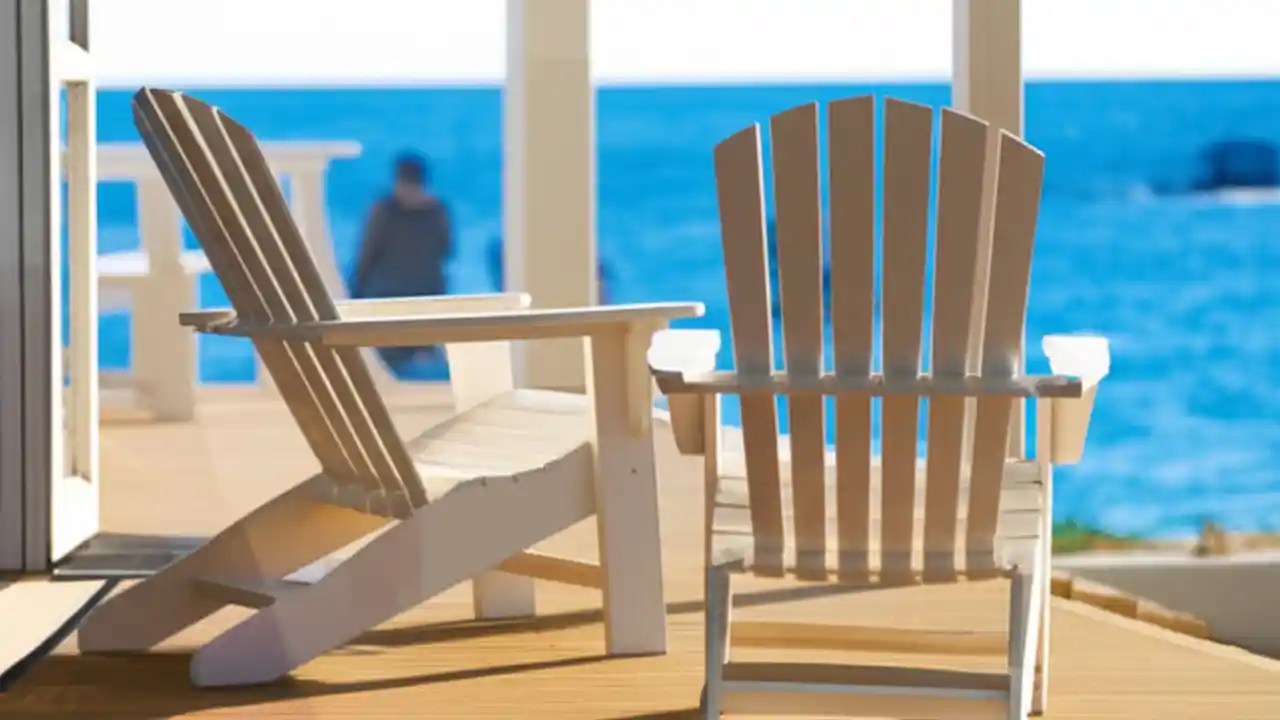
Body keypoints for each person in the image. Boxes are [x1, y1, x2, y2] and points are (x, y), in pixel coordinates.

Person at [351, 152, 453, 372]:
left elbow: (445, 253)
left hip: (420, 303)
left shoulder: (432, 213)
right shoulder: (388, 211)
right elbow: (366, 257)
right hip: (388, 303)